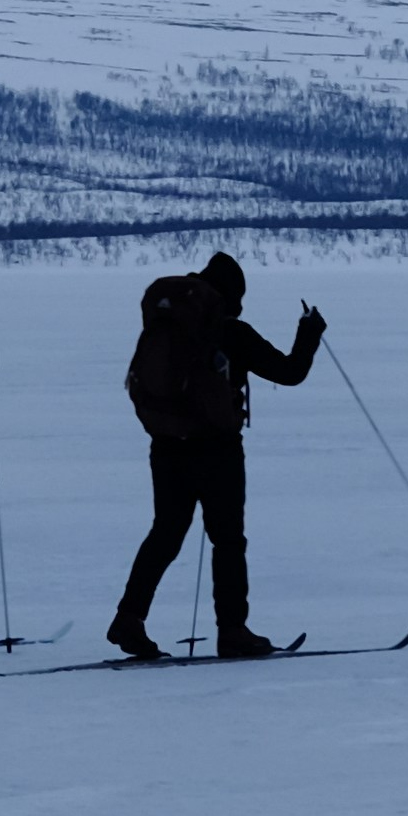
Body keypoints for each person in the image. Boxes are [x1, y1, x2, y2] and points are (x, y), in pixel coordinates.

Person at [105, 248, 322, 660]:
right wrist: (310, 331)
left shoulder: (168, 325)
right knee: (227, 540)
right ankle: (233, 630)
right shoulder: (233, 333)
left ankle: (128, 618)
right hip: (217, 450)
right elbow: (290, 372)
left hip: (166, 444)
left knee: (165, 534)